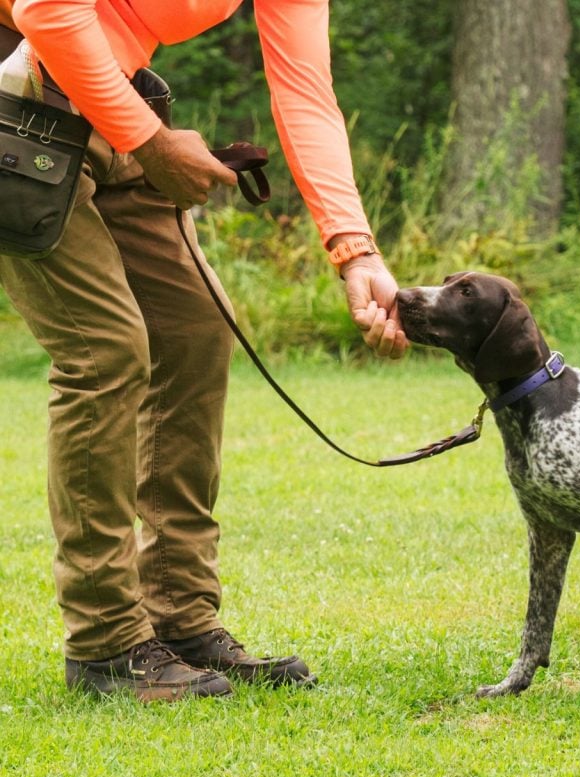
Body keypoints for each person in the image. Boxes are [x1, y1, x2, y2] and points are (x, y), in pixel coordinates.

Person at [0, 0, 408, 702]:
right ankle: (104, 645)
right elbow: (48, 8)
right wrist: (152, 141)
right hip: (18, 105)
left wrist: (354, 248)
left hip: (103, 102)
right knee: (104, 349)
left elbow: (305, 91)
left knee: (194, 328)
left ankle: (178, 615)